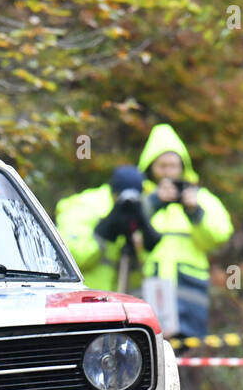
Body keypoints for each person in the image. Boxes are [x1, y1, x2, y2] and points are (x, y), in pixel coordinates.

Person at [137, 123, 233, 339]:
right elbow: (127, 230)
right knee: (154, 352)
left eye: (173, 165)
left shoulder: (202, 198)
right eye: (162, 166)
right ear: (150, 167)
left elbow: (220, 235)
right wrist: (153, 202)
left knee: (190, 358)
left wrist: (195, 212)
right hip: (151, 287)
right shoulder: (141, 200)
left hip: (190, 290)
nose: (169, 172)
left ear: (183, 166)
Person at [55, 165, 160, 294]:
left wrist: (141, 244)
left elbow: (147, 274)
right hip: (85, 298)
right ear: (112, 192)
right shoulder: (84, 207)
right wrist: (102, 234)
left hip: (119, 301)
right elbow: (70, 261)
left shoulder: (138, 211)